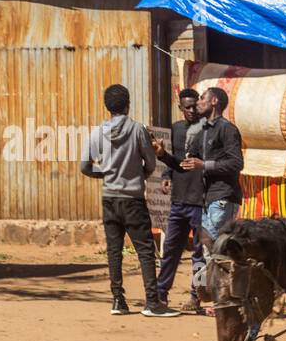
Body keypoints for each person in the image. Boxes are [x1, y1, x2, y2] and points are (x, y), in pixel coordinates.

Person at [79, 83, 178, 318]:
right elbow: (151, 163)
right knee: (144, 250)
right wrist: (139, 173)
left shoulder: (96, 133)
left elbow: (84, 166)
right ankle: (152, 302)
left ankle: (118, 300)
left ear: (107, 107)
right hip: (132, 198)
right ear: (127, 105)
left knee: (114, 251)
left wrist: (103, 174)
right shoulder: (137, 129)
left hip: (109, 198)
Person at [154, 88, 205, 313]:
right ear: (180, 108)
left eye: (195, 106)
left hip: (201, 200)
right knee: (171, 249)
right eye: (188, 107)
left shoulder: (208, 129)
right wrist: (166, 176)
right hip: (179, 200)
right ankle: (161, 293)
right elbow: (171, 158)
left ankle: (197, 296)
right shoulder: (176, 129)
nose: (192, 110)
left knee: (200, 253)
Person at [180, 86, 243, 248]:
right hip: (206, 197)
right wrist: (162, 155)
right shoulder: (203, 131)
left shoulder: (227, 129)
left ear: (214, 101)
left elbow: (236, 163)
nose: (198, 103)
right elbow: (189, 158)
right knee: (209, 247)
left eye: (202, 98)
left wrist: (204, 165)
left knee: (216, 244)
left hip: (223, 196)